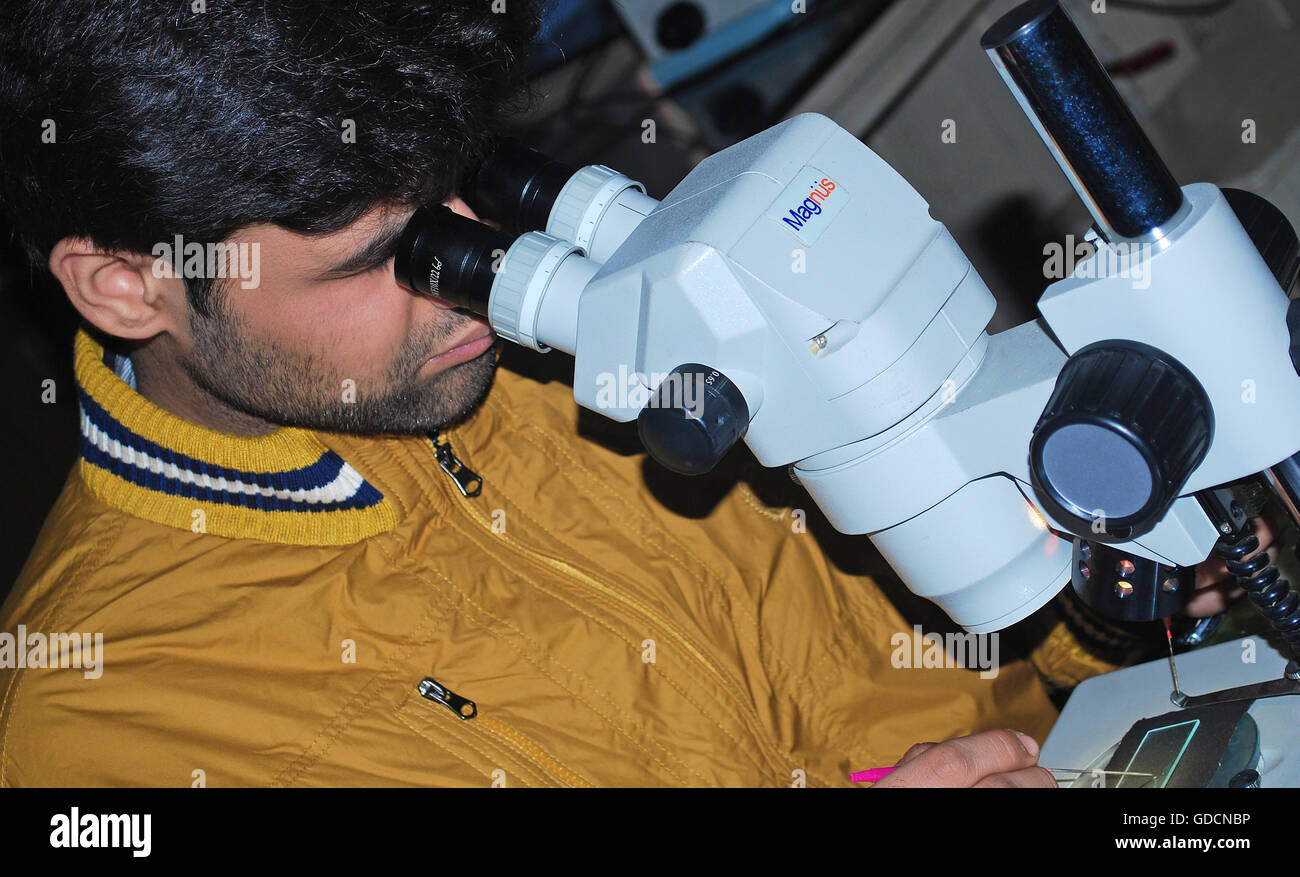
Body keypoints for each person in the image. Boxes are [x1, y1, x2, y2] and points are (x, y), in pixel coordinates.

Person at [0, 0, 1258, 788]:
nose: (472, 279)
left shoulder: (590, 339)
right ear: (125, 287)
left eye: (464, 190)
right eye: (384, 256)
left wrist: (1124, 585)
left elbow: (979, 584)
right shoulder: (106, 730)